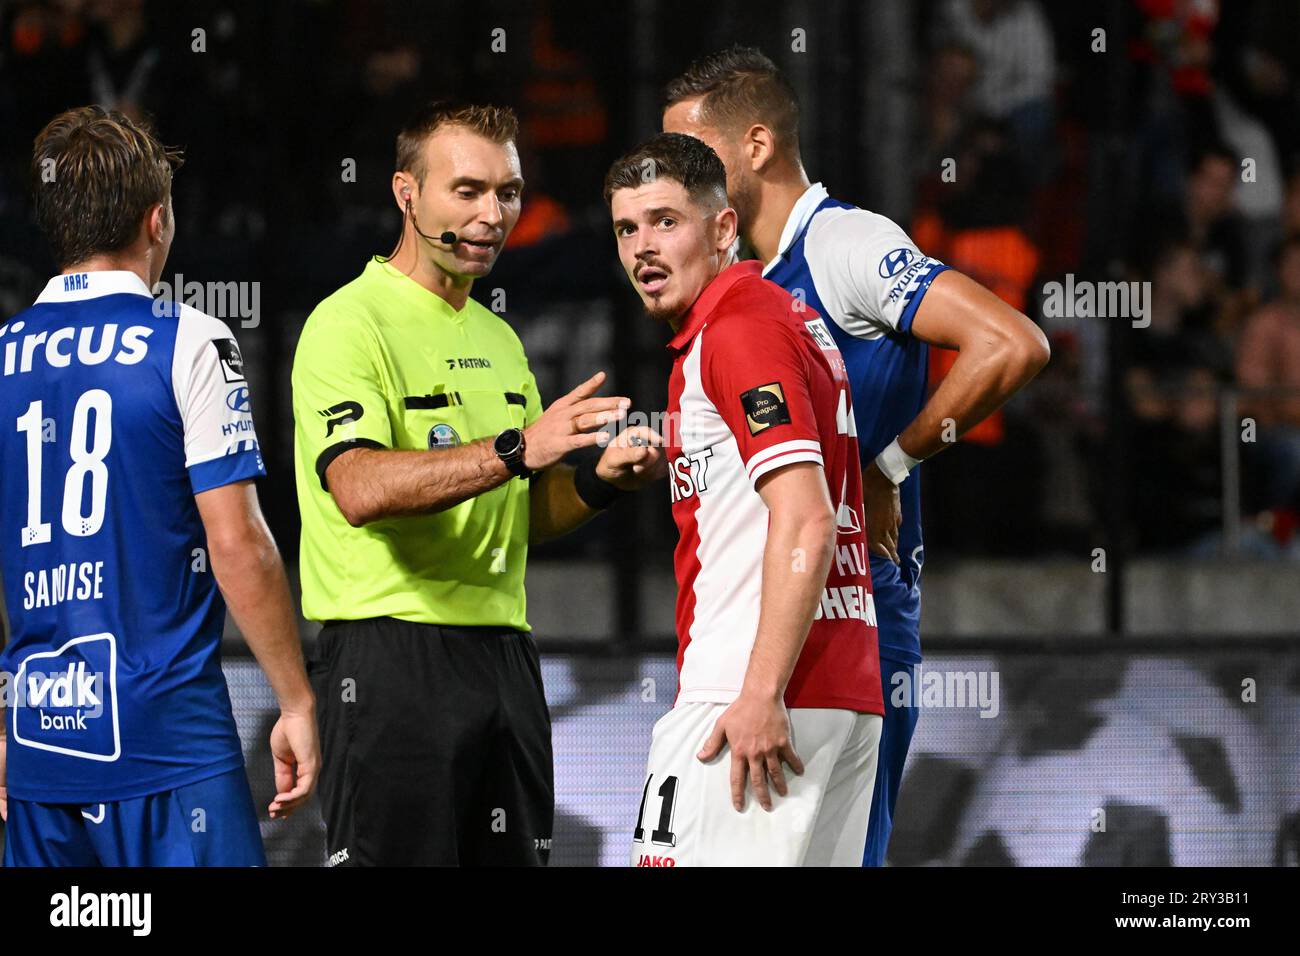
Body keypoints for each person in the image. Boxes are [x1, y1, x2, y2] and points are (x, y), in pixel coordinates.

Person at [663, 46, 1050, 865]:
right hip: (763, 637)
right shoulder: (740, 283)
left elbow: (1009, 343)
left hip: (853, 631)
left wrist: (888, 468)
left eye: (694, 154)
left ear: (757, 146)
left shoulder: (843, 244)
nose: (675, 175)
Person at [292, 100, 662, 867]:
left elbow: (523, 509)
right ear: (405, 193)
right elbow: (358, 488)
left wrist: (601, 482)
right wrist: (516, 445)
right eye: (467, 191)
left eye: (509, 192)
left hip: (505, 655)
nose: (494, 214)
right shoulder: (347, 323)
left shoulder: (498, 336)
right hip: (388, 660)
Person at [0, 105, 317, 866]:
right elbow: (237, 542)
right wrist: (297, 700)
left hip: (41, 745)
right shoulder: (191, 339)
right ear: (157, 219)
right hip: (170, 745)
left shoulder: (2, 355)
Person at [606, 132, 883, 866]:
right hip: (840, 691)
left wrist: (759, 693)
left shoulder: (736, 332)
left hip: (750, 695)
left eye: (667, 221)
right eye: (627, 228)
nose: (643, 248)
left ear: (724, 227)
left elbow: (806, 516)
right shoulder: (784, 319)